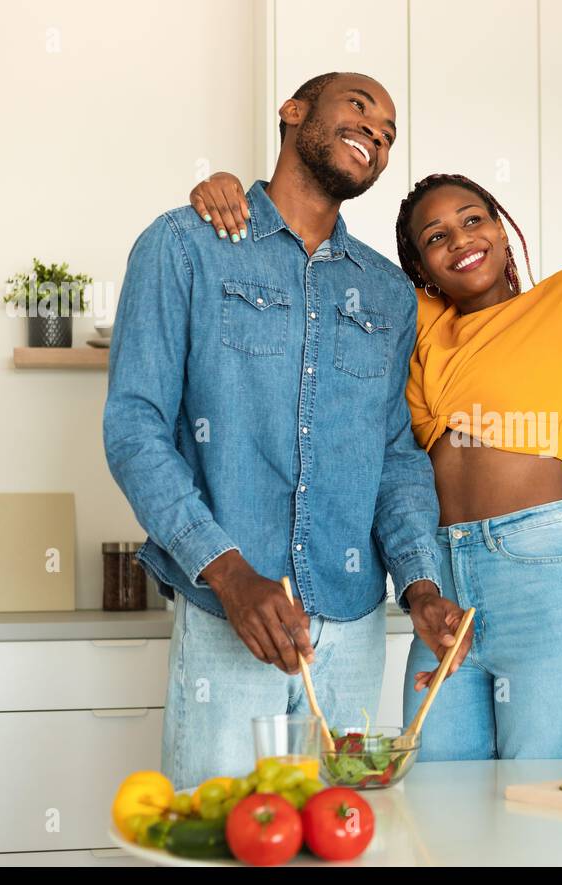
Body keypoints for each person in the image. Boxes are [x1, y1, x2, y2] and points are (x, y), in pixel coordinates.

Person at [189, 69, 562, 760]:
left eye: (473, 220)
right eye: (435, 237)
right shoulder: (411, 318)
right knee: (436, 798)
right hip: (438, 583)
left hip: (539, 569)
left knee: (549, 794)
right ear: (422, 268)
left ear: (503, 232)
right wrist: (230, 199)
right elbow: (313, 255)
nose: (459, 240)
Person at [105, 72, 471, 789]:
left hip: (355, 628)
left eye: (389, 133)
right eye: (360, 109)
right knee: (218, 838)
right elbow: (133, 427)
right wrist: (230, 573)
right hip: (226, 617)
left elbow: (394, 458)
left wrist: (421, 585)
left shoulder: (388, 292)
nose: (375, 132)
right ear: (294, 112)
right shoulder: (185, 246)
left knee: (341, 840)